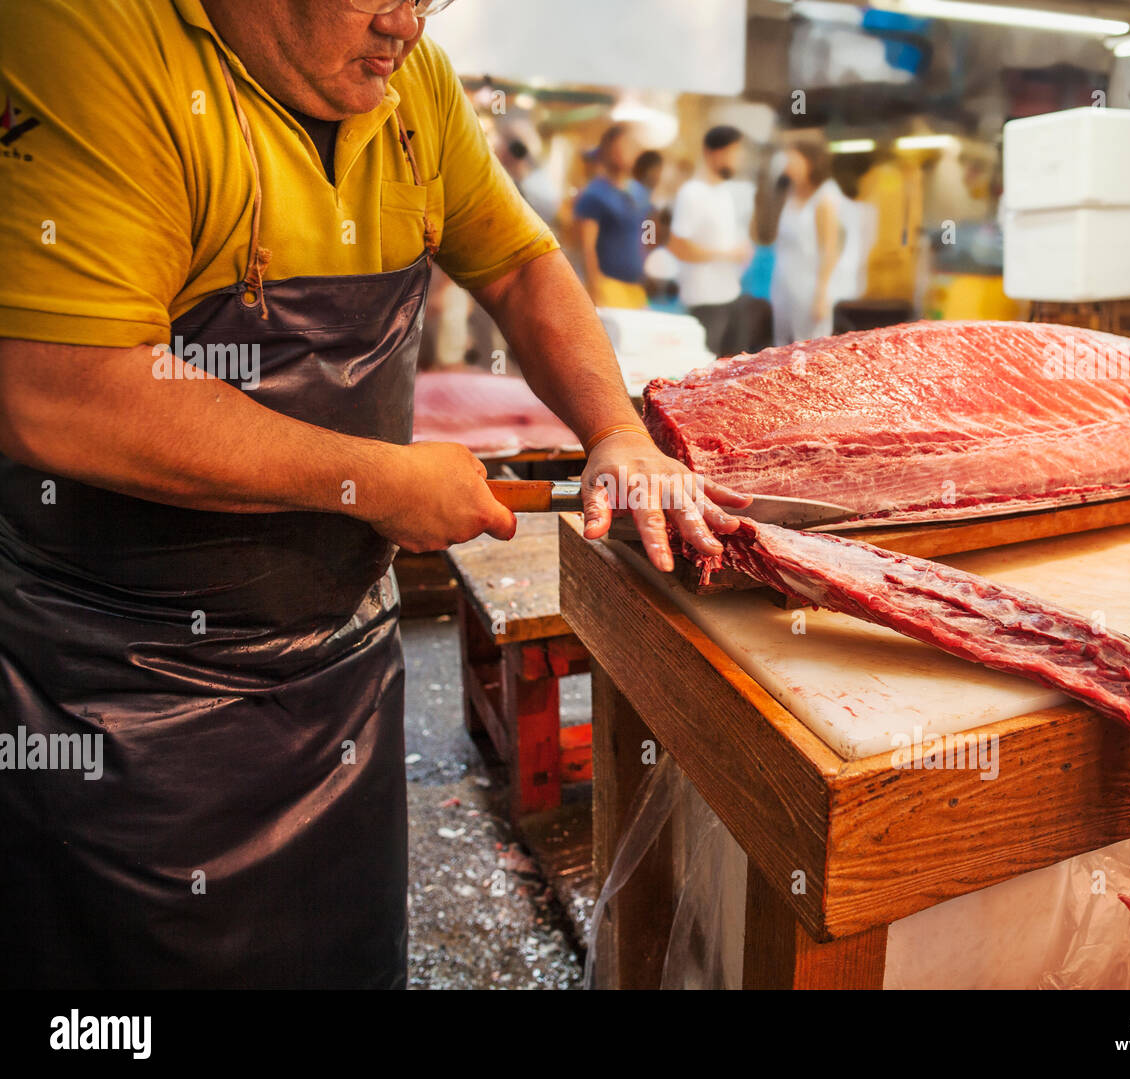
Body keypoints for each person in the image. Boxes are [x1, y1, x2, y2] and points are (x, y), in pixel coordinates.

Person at [0, 0, 748, 990]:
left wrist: (612, 429)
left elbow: (522, 266)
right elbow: (61, 391)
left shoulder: (412, 84)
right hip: (123, 694)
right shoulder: (85, 33)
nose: (409, 20)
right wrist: (375, 478)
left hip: (338, 666)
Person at [667, 126, 755, 358]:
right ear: (713, 153)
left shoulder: (725, 193)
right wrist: (726, 255)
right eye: (734, 152)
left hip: (730, 292)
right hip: (703, 297)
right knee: (701, 369)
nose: (738, 159)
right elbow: (678, 246)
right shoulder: (692, 193)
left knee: (732, 366)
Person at [770, 136, 856, 345]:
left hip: (810, 287)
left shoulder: (824, 199)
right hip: (785, 283)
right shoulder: (790, 195)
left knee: (809, 347)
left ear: (810, 162)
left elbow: (829, 249)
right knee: (782, 348)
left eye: (793, 161)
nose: (788, 167)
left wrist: (822, 293)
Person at [574, 123, 653, 308]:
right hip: (607, 289)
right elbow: (586, 248)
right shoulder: (594, 194)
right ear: (608, 150)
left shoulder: (640, 193)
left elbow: (646, 233)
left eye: (633, 145)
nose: (629, 151)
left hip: (636, 289)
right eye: (624, 145)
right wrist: (595, 292)